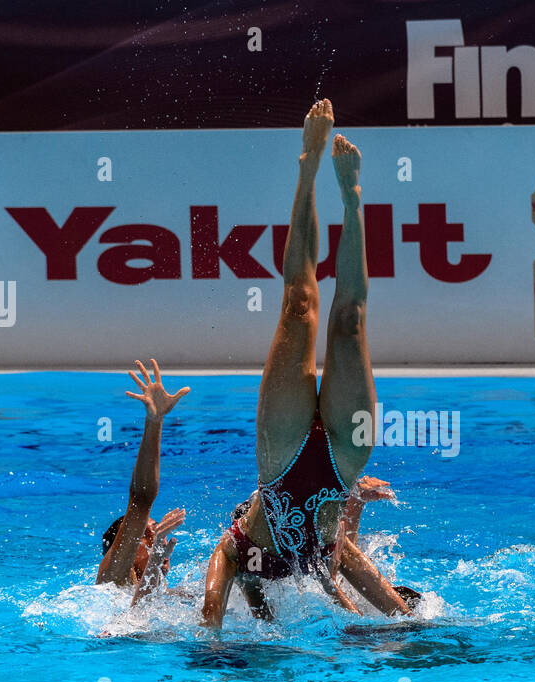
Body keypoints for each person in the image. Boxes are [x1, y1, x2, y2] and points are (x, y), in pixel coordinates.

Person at [200, 100, 408, 627]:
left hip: (280, 455)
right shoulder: (323, 556)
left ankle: (311, 168)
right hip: (343, 462)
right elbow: (383, 603)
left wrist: (212, 640)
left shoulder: (231, 545)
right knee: (349, 321)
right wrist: (407, 626)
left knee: (299, 304)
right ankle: (354, 198)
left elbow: (208, 615)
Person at [95, 359, 189, 601]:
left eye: (159, 533)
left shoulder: (173, 596)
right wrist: (155, 422)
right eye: (147, 536)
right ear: (124, 549)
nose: (160, 538)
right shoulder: (113, 581)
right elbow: (141, 499)